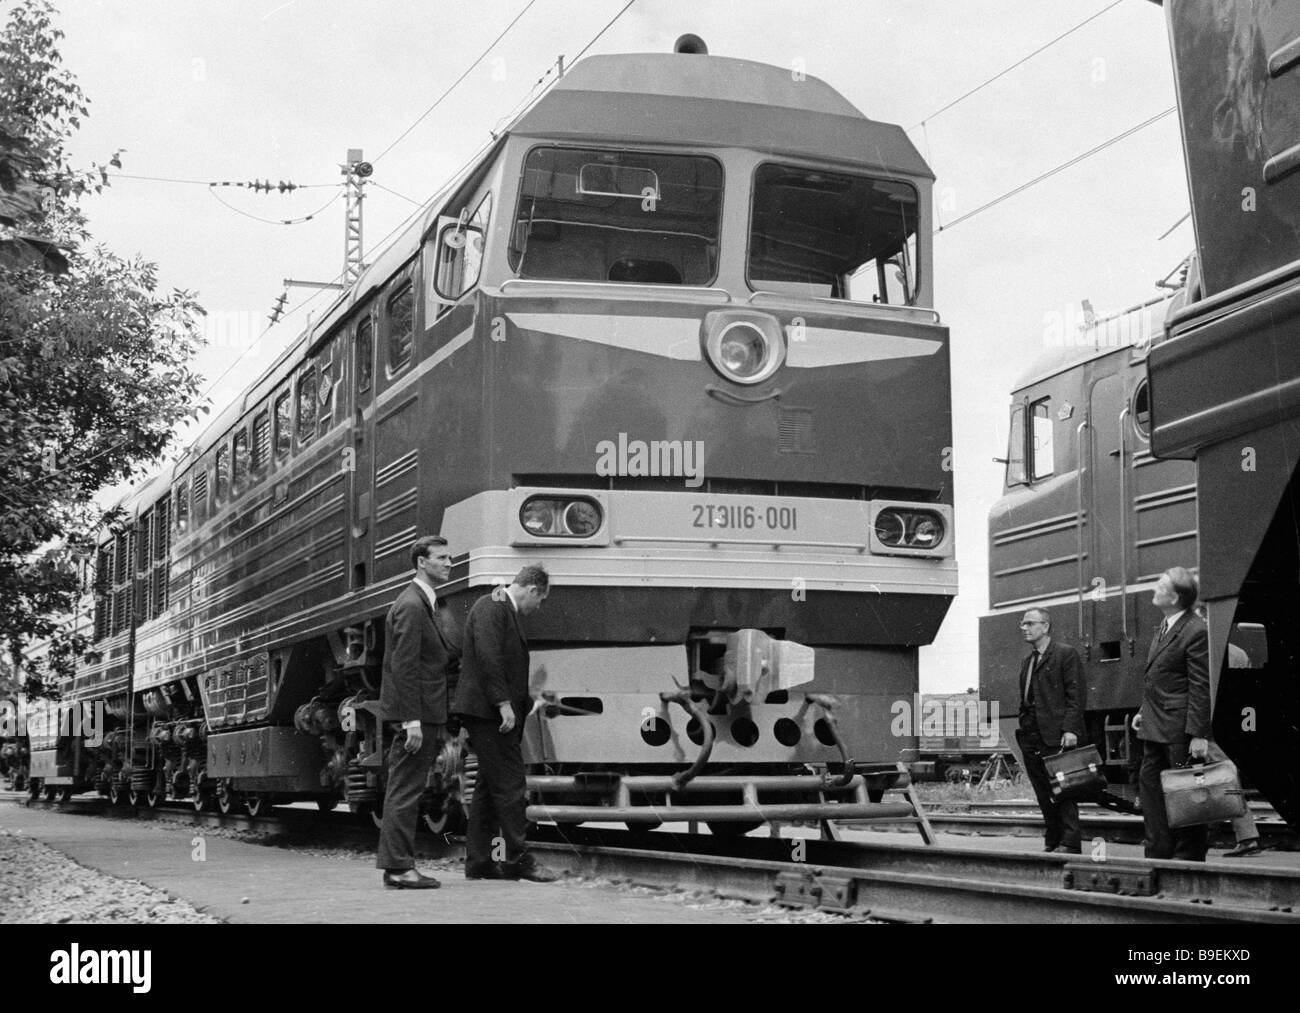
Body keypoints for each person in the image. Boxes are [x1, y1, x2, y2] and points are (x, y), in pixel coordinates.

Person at [452, 565, 558, 883]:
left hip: (491, 712)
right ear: (533, 589)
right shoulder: (493, 604)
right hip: (490, 712)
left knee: (487, 787)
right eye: (539, 602)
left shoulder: (500, 607)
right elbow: (488, 655)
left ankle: (480, 862)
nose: (536, 609)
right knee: (511, 784)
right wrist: (503, 703)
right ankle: (518, 859)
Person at [375, 536, 460, 889]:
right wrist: (411, 721)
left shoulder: (421, 603)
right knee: (405, 789)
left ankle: (398, 866)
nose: (449, 562)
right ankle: (398, 868)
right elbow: (404, 666)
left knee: (405, 787)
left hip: (424, 711)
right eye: (441, 557)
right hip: (418, 714)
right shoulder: (411, 605)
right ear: (422, 563)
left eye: (449, 556)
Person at [1132, 567, 1211, 861]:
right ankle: (1158, 852)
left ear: (1175, 597)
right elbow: (1160, 676)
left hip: (1179, 729)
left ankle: (1189, 858)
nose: (1155, 587)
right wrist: (1143, 710)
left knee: (1185, 793)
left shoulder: (1195, 630)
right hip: (1155, 724)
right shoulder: (1166, 625)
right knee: (1151, 787)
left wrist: (1199, 735)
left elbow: (1200, 686)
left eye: (1160, 584)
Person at [1192, 605, 1263, 858]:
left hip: (1205, 726)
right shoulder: (1238, 652)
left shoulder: (1201, 653)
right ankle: (1214, 836)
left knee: (1221, 778)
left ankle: (1246, 836)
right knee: (1216, 778)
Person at [1014, 607, 1086, 854]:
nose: (1025, 628)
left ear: (1045, 626)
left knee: (1063, 789)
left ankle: (1070, 842)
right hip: (1031, 735)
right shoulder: (1028, 661)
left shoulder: (1065, 654)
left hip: (1056, 735)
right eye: (1023, 624)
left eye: (1030, 623)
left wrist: (1071, 729)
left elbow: (1076, 696)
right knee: (1043, 791)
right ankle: (1053, 838)